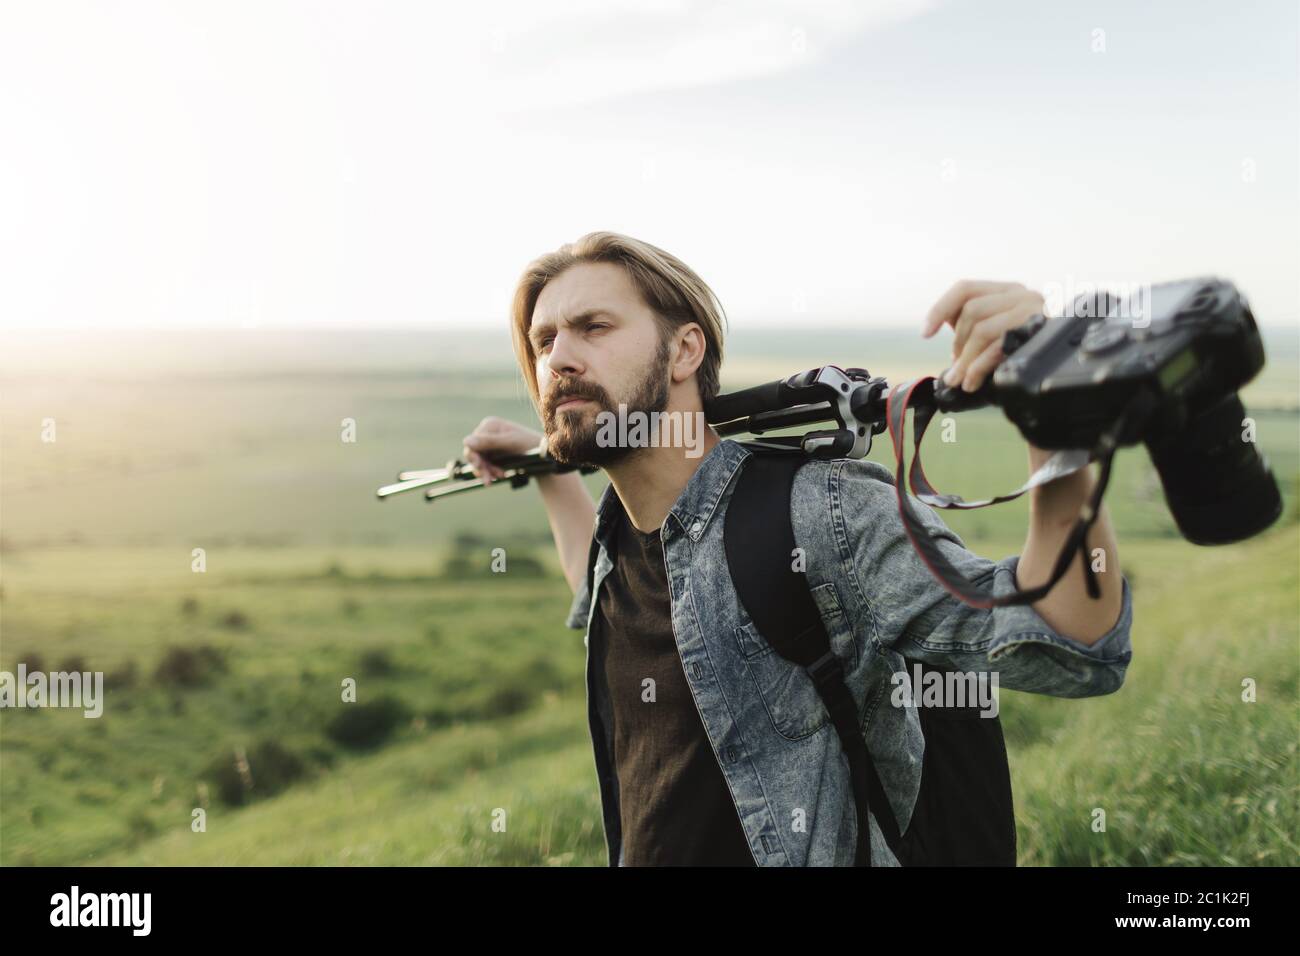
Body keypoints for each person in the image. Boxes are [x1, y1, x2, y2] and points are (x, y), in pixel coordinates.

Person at [461, 231, 1134, 866]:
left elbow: (1070, 641)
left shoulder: (818, 515)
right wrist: (543, 469)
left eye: (594, 328)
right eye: (543, 341)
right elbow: (601, 591)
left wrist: (1054, 401)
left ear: (684, 350)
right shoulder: (618, 538)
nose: (560, 358)